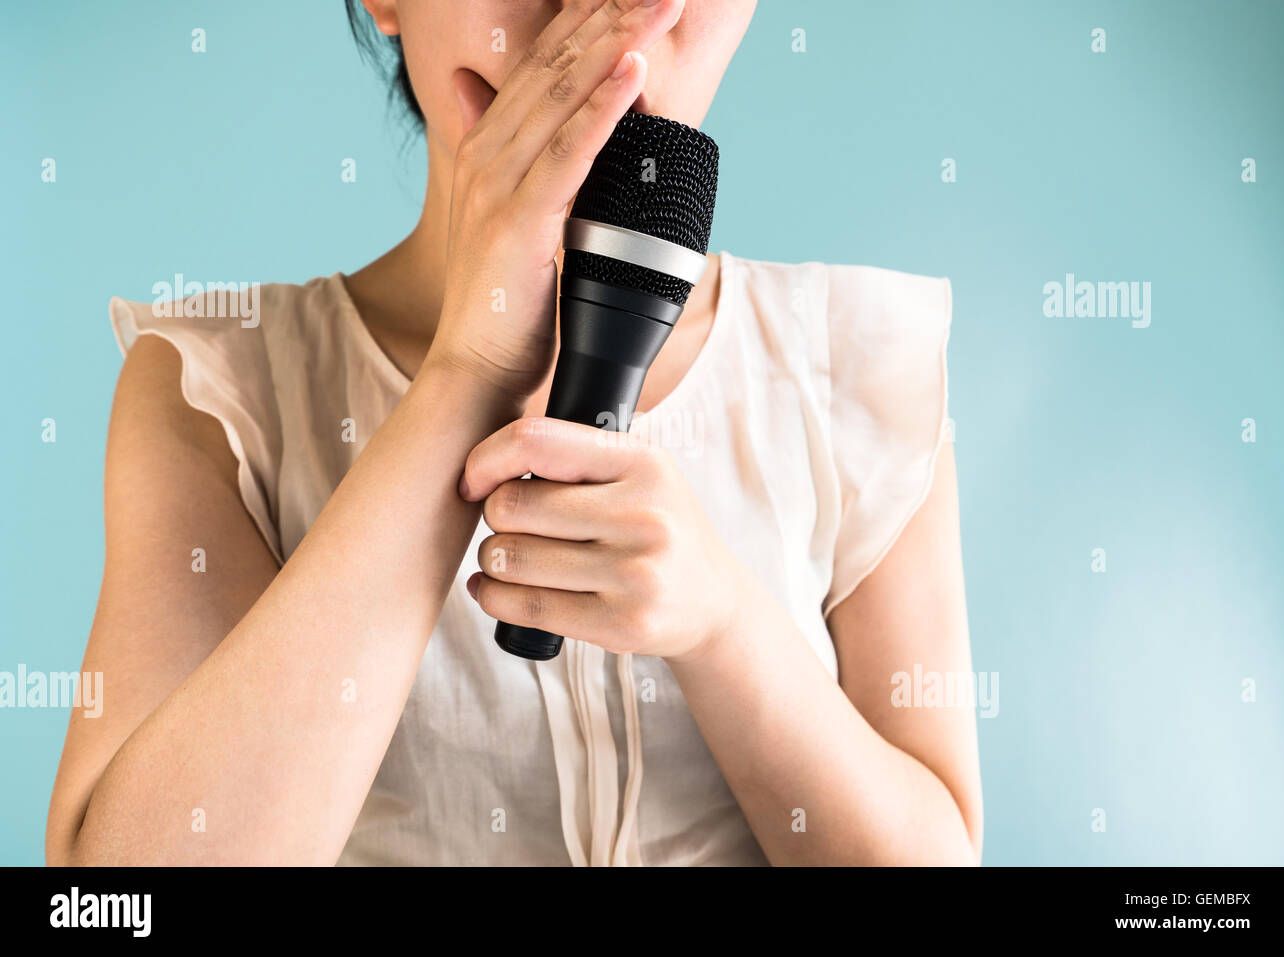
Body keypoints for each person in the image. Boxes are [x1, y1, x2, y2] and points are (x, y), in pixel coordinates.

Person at [47, 0, 982, 866]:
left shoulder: (860, 365)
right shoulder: (220, 391)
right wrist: (471, 373)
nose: (593, 12)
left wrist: (727, 629)